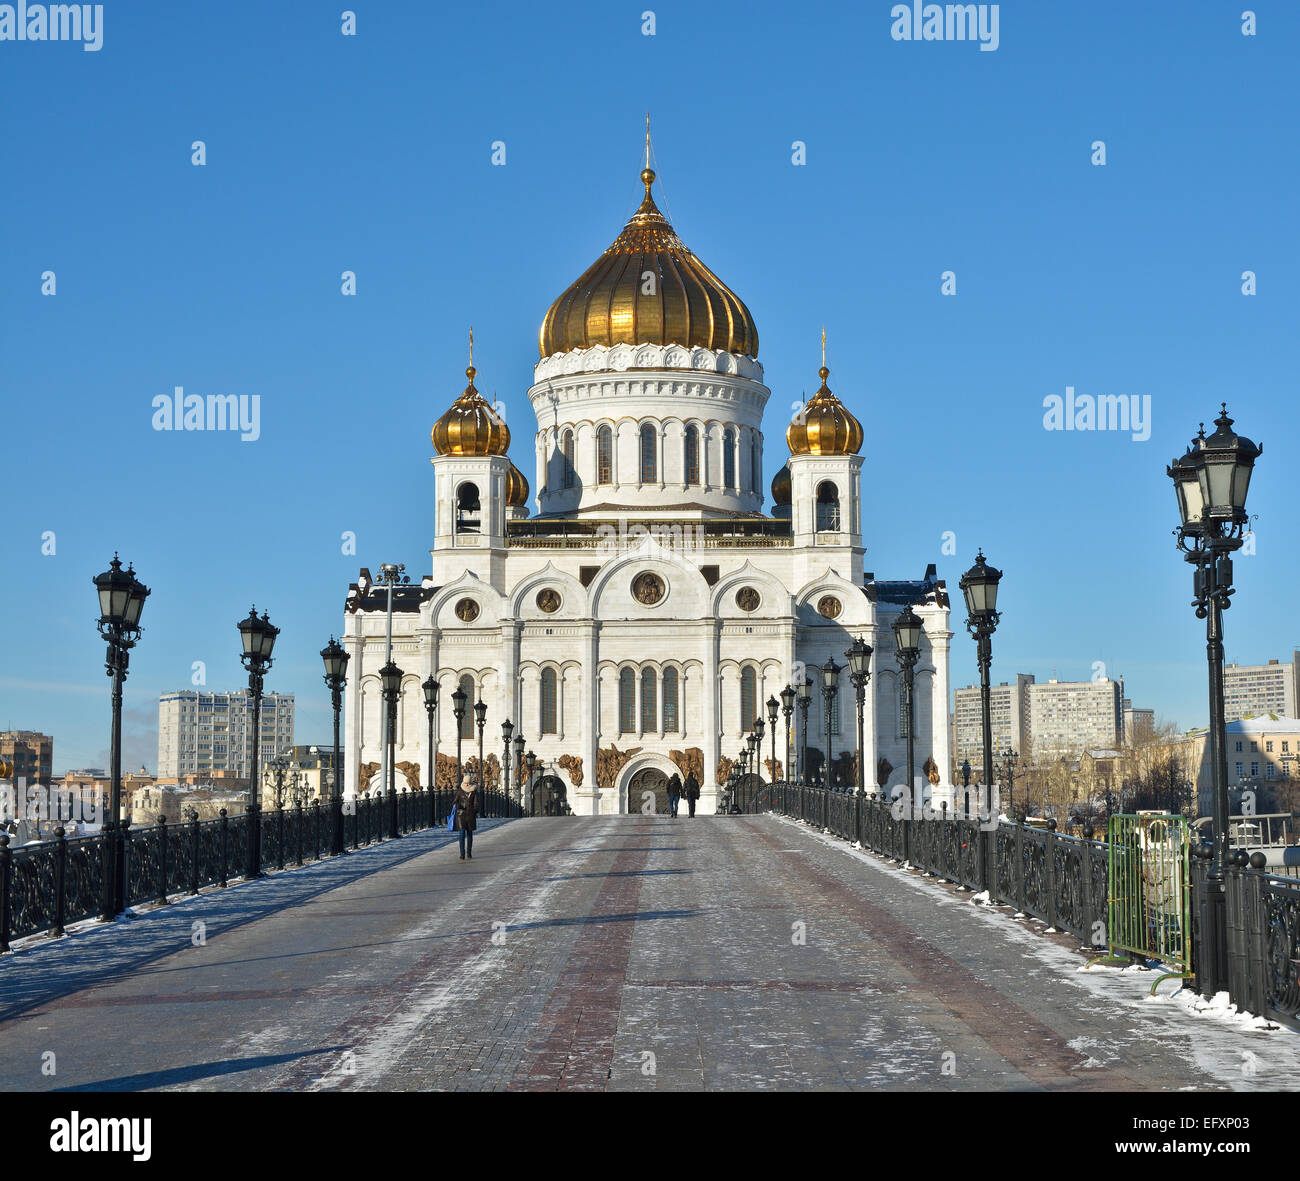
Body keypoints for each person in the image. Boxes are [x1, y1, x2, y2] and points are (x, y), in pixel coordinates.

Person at [453, 773, 479, 860]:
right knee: (461, 833)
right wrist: (458, 808)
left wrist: (474, 810)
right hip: (461, 815)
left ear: (471, 783)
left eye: (468, 783)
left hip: (470, 814)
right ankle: (462, 853)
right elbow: (455, 801)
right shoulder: (460, 791)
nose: (467, 785)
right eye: (465, 783)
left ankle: (469, 852)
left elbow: (476, 803)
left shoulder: (473, 791)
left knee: (469, 834)